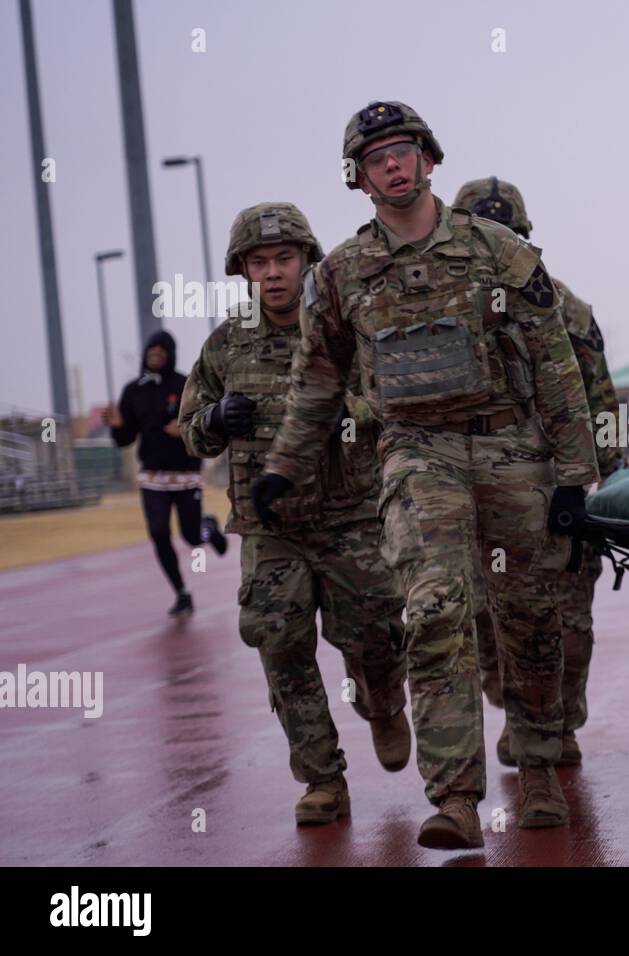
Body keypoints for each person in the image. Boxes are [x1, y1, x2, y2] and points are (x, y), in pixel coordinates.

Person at [254, 102, 599, 849]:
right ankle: (457, 798)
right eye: (377, 157)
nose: (393, 165)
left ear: (429, 159)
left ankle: (538, 761)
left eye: (404, 151)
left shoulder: (497, 250)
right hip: (416, 452)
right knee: (435, 612)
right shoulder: (341, 274)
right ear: (360, 176)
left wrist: (574, 475)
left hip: (509, 447)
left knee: (530, 615)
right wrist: (282, 467)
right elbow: (316, 383)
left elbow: (555, 361)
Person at [179, 202, 410, 826]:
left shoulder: (342, 328)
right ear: (243, 271)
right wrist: (214, 420)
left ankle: (385, 702)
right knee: (279, 644)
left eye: (285, 258)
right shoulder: (227, 343)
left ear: (308, 261)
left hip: (349, 518)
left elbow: (388, 400)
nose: (273, 272)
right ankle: (323, 780)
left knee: (375, 635)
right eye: (260, 262)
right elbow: (190, 432)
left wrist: (349, 413)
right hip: (269, 528)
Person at [452, 176, 624, 768]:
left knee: (569, 618)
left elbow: (600, 402)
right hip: (472, 491)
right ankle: (521, 713)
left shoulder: (567, 310)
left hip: (557, 488)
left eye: (510, 235)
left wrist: (608, 482)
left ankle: (558, 723)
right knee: (483, 619)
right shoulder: (444, 315)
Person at [103, 330, 227, 616]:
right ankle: (181, 593)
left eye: (162, 351)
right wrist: (118, 424)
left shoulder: (186, 385)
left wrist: (184, 429)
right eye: (152, 351)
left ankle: (208, 526)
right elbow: (125, 439)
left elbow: (207, 423)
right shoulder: (133, 390)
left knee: (192, 537)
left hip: (185, 474)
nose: (156, 356)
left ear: (170, 355)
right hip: (153, 477)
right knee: (159, 533)